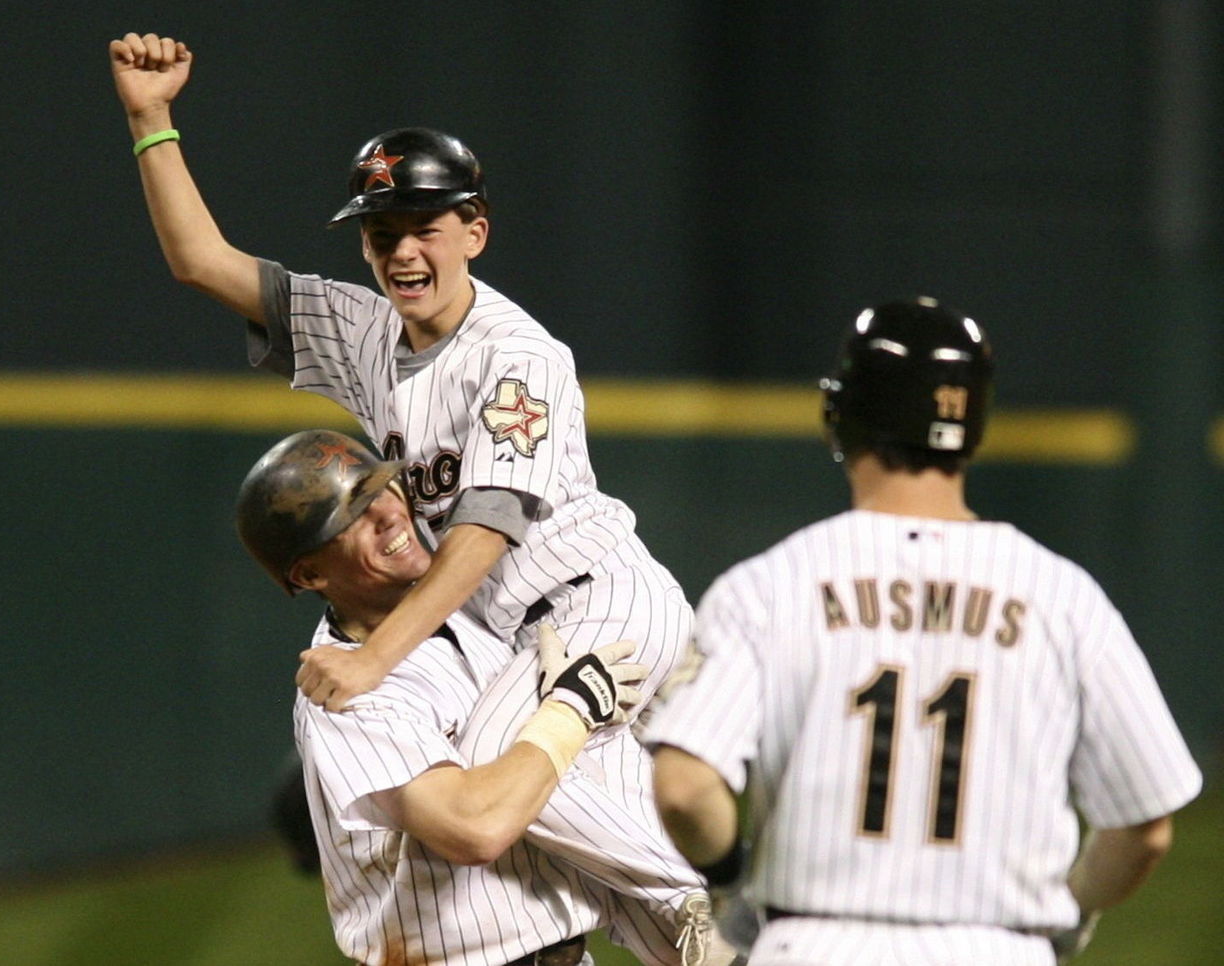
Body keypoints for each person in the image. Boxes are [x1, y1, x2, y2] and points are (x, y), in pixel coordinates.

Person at [110, 30, 719, 955]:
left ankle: (690, 899)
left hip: (594, 604)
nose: (402, 251)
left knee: (478, 773)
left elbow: (486, 530)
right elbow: (204, 262)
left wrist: (375, 658)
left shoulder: (516, 357)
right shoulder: (366, 330)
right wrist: (151, 120)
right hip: (508, 632)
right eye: (381, 232)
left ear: (474, 231)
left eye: (424, 228)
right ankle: (689, 912)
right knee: (488, 782)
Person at [642, 298, 1204, 966]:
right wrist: (1073, 906)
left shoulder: (772, 585)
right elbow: (1144, 826)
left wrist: (731, 876)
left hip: (814, 942)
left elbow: (683, 787)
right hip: (998, 948)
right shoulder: (1063, 596)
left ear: (843, 417)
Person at [235, 428, 728, 966]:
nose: (385, 515)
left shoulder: (475, 614)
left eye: (379, 489)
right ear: (308, 573)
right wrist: (571, 711)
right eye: (350, 518)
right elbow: (475, 828)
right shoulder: (344, 694)